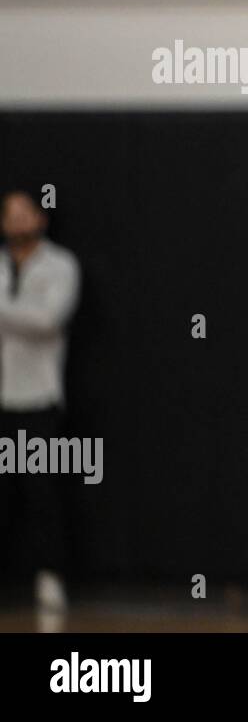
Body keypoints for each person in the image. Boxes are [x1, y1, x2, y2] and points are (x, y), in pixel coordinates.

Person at [0, 189, 81, 612]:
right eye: (8, 215)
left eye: (24, 214)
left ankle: (49, 578)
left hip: (38, 399)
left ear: (40, 218)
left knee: (41, 493)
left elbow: (47, 321)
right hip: (1, 397)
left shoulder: (60, 265)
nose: (16, 222)